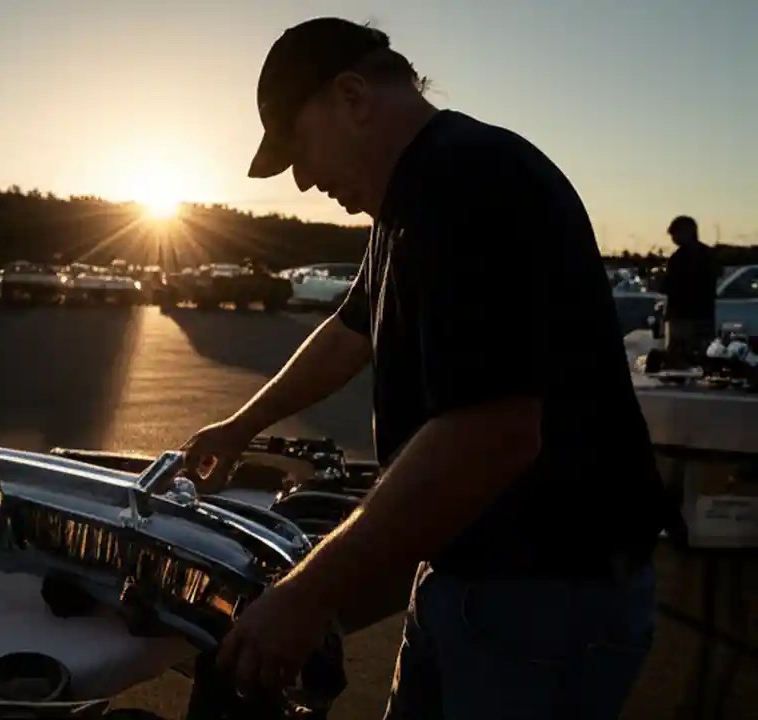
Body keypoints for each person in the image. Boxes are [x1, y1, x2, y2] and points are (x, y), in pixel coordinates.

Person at [181, 17, 669, 719]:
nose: (306, 181)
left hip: (543, 598)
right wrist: (239, 427)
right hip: (465, 578)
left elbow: (492, 433)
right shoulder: (409, 201)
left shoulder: (471, 181)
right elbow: (350, 333)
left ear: (352, 97)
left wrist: (311, 595)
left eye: (301, 150)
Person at [662, 215, 718, 359]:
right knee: (704, 355)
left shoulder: (678, 258)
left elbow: (671, 287)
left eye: (675, 234)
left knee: (679, 358)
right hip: (704, 315)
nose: (673, 239)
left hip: (682, 316)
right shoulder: (709, 254)